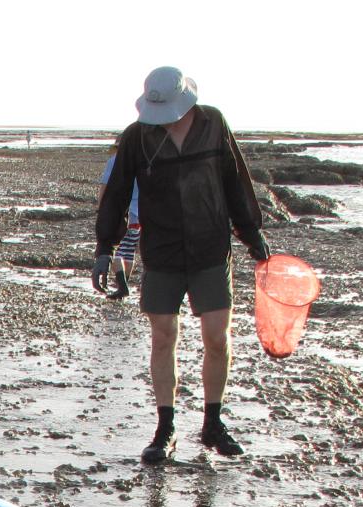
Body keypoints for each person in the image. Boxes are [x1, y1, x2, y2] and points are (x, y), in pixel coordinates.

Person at [95, 67, 269, 464]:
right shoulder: (138, 135)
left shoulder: (213, 122)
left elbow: (234, 180)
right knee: (163, 336)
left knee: (217, 337)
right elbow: (118, 192)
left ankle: (213, 423)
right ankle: (165, 428)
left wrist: (251, 234)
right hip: (163, 251)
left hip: (210, 247)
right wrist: (105, 246)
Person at [97, 153, 139, 299]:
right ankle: (124, 285)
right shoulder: (143, 159)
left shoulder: (115, 161)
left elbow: (105, 186)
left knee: (116, 251)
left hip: (123, 213)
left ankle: (123, 287)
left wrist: (101, 209)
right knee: (129, 250)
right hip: (140, 214)